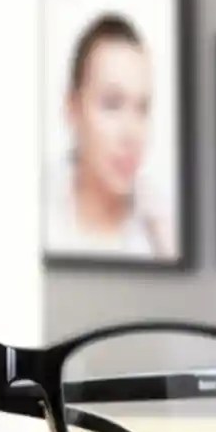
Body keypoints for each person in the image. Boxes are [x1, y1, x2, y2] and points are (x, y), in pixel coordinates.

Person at [46, 14, 174, 259]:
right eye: (112, 104)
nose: (132, 133)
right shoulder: (32, 212)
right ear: (72, 108)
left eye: (142, 108)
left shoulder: (163, 230)